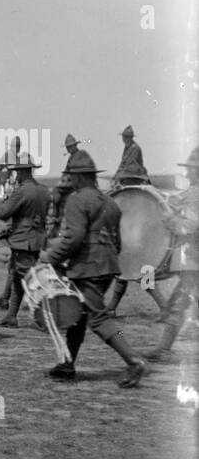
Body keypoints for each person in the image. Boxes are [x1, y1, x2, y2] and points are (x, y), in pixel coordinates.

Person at [39, 149, 148, 386]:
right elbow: (116, 241)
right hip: (107, 265)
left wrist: (50, 257)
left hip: (88, 268)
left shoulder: (77, 200)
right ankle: (67, 364)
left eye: (71, 176)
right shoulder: (110, 202)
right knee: (78, 317)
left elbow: (73, 237)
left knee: (98, 319)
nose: (70, 180)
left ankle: (133, 359)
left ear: (79, 177)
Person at [144, 145, 199, 360]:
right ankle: (163, 348)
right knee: (181, 301)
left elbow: (189, 227)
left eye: (192, 169)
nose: (188, 173)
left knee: (179, 302)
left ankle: (163, 348)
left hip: (193, 258)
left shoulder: (194, 195)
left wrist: (169, 219)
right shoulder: (191, 194)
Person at [0, 149, 50, 329]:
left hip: (23, 240)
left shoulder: (22, 191)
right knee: (17, 277)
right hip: (36, 239)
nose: (14, 174)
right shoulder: (43, 190)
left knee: (31, 280)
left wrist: (1, 197)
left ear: (22, 171)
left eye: (16, 171)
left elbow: (0, 213)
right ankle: (11, 316)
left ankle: (47, 317)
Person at [104, 125, 154, 316]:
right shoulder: (128, 148)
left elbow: (128, 166)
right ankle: (112, 307)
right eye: (123, 137)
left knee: (141, 276)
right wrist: (116, 177)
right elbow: (122, 166)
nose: (124, 139)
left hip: (135, 248)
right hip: (131, 249)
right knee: (128, 275)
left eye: (126, 137)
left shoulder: (134, 149)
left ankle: (164, 306)